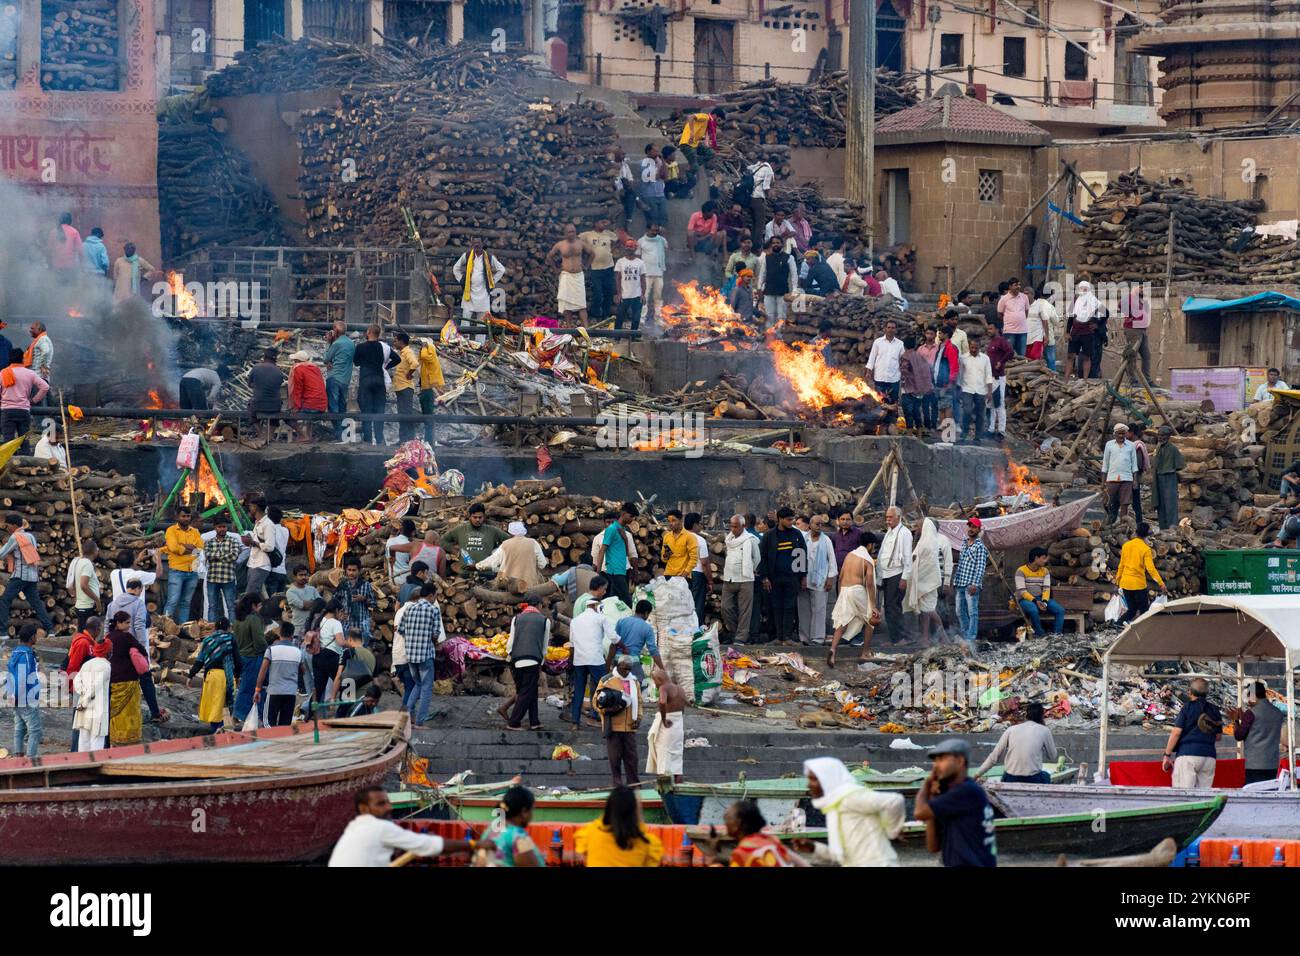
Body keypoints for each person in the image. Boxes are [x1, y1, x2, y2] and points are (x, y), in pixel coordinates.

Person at [329, 787, 473, 867]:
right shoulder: (380, 827)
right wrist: (475, 844)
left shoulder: (353, 829)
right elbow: (430, 845)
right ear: (364, 808)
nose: (389, 807)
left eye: (388, 802)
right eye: (381, 804)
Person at [801, 757, 906, 867]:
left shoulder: (851, 797)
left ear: (827, 779)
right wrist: (814, 848)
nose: (809, 785)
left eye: (813, 779)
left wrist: (892, 831)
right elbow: (841, 857)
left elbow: (895, 801)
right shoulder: (833, 806)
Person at [913, 738, 997, 867]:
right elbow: (933, 847)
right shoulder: (953, 796)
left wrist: (927, 783)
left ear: (959, 761)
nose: (935, 765)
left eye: (941, 759)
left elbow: (919, 813)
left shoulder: (966, 791)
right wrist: (933, 799)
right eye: (935, 760)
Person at [575, 786, 663, 867]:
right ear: (635, 812)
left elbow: (583, 854)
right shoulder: (647, 844)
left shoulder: (590, 833)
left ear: (609, 808)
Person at [701, 800, 805, 867]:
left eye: (727, 818)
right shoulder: (771, 840)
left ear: (738, 824)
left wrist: (711, 854)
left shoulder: (742, 853)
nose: (725, 822)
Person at [826, 536, 878, 668]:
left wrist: (840, 595)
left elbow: (841, 575)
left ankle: (833, 649)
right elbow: (870, 583)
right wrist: (873, 605)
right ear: (870, 545)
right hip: (857, 590)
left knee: (842, 622)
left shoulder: (849, 555)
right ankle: (865, 652)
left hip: (844, 590)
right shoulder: (867, 559)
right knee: (871, 620)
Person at [974, 702, 1058, 783]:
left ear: (1026, 715)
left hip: (1011, 778)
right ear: (1042, 716)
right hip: (1033, 778)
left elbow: (994, 756)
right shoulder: (1044, 730)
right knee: (1046, 776)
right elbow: (1053, 756)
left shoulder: (1011, 730)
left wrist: (977, 774)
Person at [1161, 678, 1222, 789]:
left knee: (1183, 796)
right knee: (1203, 797)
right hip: (1209, 757)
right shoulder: (1214, 710)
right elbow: (1218, 737)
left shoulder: (1187, 707)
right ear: (1206, 693)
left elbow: (1176, 733)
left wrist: (1167, 755)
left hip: (1187, 756)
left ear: (1190, 691)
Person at [566, 593, 616, 725]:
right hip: (595, 659)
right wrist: (622, 643)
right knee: (604, 687)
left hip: (579, 660)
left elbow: (572, 644)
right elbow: (613, 637)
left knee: (579, 691)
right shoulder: (601, 618)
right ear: (595, 605)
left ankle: (575, 722)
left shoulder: (575, 621)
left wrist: (571, 660)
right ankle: (602, 717)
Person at [0, 513, 53, 635]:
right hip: (32, 576)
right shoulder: (31, 536)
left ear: (13, 525)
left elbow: (2, 553)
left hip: (20, 576)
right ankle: (50, 629)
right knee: (37, 604)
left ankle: (2, 632)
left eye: (8, 525)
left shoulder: (16, 537)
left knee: (4, 600)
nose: (7, 528)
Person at [760, 507, 805, 645]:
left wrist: (803, 576)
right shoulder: (769, 536)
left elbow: (802, 555)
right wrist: (765, 577)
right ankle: (779, 637)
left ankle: (787, 637)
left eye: (793, 519)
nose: (791, 522)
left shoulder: (797, 535)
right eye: (789, 519)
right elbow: (763, 557)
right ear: (780, 519)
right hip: (774, 578)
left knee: (790, 607)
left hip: (792, 578)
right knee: (776, 607)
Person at [595, 655, 642, 787]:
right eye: (624, 668)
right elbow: (596, 702)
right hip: (613, 726)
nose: (627, 671)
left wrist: (638, 718)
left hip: (629, 727)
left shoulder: (634, 681)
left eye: (629, 669)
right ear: (618, 666)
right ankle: (617, 784)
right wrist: (607, 710)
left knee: (632, 759)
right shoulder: (606, 680)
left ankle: (634, 785)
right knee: (614, 758)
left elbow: (639, 701)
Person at [186, 618, 239, 734]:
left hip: (212, 676)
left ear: (215, 628)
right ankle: (224, 729)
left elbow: (199, 661)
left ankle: (215, 729)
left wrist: (190, 676)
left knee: (214, 705)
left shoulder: (208, 640)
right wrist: (238, 676)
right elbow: (237, 659)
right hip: (228, 676)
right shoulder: (230, 639)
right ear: (228, 628)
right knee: (226, 704)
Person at [905, 518, 951, 647]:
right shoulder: (922, 542)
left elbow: (930, 564)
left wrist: (947, 581)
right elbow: (914, 558)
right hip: (922, 582)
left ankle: (944, 636)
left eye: (919, 526)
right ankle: (925, 638)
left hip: (931, 581)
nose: (917, 528)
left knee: (930, 609)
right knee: (925, 610)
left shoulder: (936, 542)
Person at [504, 602, 550, 731]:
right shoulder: (544, 620)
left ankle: (534, 721)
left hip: (517, 659)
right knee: (526, 692)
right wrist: (541, 662)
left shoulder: (516, 618)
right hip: (533, 659)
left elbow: (511, 642)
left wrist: (509, 656)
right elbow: (544, 646)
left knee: (531, 690)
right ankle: (513, 722)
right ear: (539, 606)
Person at [474, 786, 545, 867]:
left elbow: (480, 863)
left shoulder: (491, 830)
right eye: (532, 809)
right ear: (524, 811)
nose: (532, 814)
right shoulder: (519, 837)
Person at [253, 622, 308, 727]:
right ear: (292, 635)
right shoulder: (298, 652)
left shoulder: (271, 650)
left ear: (280, 634)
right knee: (285, 726)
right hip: (290, 693)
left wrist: (257, 690)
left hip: (274, 692)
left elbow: (262, 671)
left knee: (268, 724)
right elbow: (303, 671)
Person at [106, 611, 148, 747]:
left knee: (116, 713)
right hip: (128, 679)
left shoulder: (108, 637)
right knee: (131, 711)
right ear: (119, 623)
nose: (129, 625)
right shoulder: (127, 637)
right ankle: (131, 740)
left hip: (112, 679)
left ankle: (116, 738)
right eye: (127, 623)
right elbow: (142, 650)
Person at [1232, 681, 1284, 784]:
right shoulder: (1278, 713)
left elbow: (1239, 735)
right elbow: (1262, 725)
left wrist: (1236, 720)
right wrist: (1245, 717)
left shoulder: (1250, 713)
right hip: (1272, 763)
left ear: (1253, 696)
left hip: (1254, 764)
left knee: (1254, 795)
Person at [875, 506, 913, 646]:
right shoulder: (889, 533)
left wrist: (904, 577)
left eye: (890, 517)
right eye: (886, 517)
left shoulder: (905, 533)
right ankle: (893, 638)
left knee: (893, 606)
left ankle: (902, 638)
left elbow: (908, 558)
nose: (888, 520)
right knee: (888, 607)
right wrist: (879, 578)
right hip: (886, 574)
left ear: (898, 517)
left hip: (897, 573)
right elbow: (882, 555)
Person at [720, 514, 760, 645]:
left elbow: (757, 558)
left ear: (743, 526)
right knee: (725, 608)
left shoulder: (751, 539)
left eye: (735, 526)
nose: (733, 529)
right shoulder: (729, 539)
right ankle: (737, 632)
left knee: (745, 611)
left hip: (745, 579)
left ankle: (740, 638)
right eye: (731, 526)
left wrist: (749, 569)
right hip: (729, 578)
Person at [1, 347, 49, 454]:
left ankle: (9, 466)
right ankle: (27, 464)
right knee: (24, 441)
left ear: (9, 358)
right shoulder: (29, 373)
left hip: (7, 412)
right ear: (22, 358)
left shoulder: (3, 373)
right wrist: (34, 400)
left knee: (8, 441)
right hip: (23, 411)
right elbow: (45, 387)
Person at [1116, 522, 1167, 622]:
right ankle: (1145, 630)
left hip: (1125, 583)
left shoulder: (1126, 545)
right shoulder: (1145, 549)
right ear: (1147, 535)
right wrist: (1161, 584)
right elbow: (1151, 569)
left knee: (1132, 610)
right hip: (1138, 585)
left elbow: (1121, 565)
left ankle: (1117, 625)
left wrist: (1117, 581)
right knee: (1144, 611)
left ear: (1136, 532)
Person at [798, 514, 837, 645]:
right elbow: (798, 559)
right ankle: (805, 637)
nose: (819, 526)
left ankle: (818, 638)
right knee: (803, 609)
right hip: (804, 579)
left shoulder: (826, 541)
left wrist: (830, 578)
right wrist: (799, 577)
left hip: (820, 579)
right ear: (810, 525)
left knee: (819, 610)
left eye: (821, 524)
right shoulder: (802, 539)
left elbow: (832, 560)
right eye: (817, 524)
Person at [72, 629, 112, 751]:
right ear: (107, 652)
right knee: (97, 742)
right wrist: (86, 700)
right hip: (97, 708)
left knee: (83, 741)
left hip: (83, 707)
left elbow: (76, 681)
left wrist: (83, 694)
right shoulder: (106, 666)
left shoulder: (88, 664)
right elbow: (96, 686)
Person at [231, 593, 267, 724]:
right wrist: (266, 649)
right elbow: (259, 640)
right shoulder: (253, 619)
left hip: (241, 656)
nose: (260, 608)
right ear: (253, 605)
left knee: (245, 685)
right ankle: (240, 713)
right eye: (259, 605)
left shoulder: (237, 620)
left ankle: (243, 714)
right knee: (252, 686)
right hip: (253, 657)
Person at [476, 521, 547, 588]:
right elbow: (542, 564)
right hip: (529, 585)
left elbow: (493, 561)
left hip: (508, 585)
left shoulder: (505, 544)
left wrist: (477, 566)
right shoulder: (533, 543)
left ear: (511, 533)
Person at [645, 666, 685, 782]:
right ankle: (679, 789)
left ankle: (664, 790)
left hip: (667, 724)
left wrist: (663, 719)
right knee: (677, 761)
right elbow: (687, 702)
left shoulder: (664, 688)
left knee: (663, 757)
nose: (655, 685)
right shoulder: (679, 688)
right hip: (678, 724)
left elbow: (662, 702)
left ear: (660, 679)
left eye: (655, 681)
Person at [951, 518, 988, 646]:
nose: (971, 529)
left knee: (972, 612)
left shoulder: (980, 547)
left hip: (971, 585)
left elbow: (981, 567)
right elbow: (961, 564)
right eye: (970, 526)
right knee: (959, 611)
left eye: (974, 527)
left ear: (978, 529)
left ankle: (971, 637)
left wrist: (975, 584)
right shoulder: (964, 543)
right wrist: (955, 581)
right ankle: (966, 634)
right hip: (960, 582)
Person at [451, 237, 506, 323]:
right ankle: (465, 337)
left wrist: (492, 281)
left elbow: (501, 269)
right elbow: (456, 268)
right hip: (469, 293)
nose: (477, 245)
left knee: (482, 321)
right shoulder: (467, 255)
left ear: (482, 244)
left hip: (483, 294)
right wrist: (461, 280)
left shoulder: (489, 257)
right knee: (466, 319)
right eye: (475, 243)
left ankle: (480, 337)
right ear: (472, 245)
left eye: (478, 243)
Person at [66, 616, 100, 751]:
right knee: (78, 723)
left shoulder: (89, 643)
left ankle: (80, 750)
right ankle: (75, 751)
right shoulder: (83, 644)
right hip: (80, 689)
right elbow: (73, 666)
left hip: (85, 687)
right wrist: (73, 687)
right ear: (97, 630)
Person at [8, 623, 42, 756]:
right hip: (26, 697)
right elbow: (22, 678)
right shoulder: (27, 655)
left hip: (15, 696)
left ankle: (18, 757)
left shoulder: (15, 652)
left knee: (19, 728)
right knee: (35, 730)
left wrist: (11, 695)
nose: (37, 638)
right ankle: (30, 759)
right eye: (36, 635)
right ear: (32, 637)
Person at [1014, 547, 1065, 636]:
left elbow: (1046, 589)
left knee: (1060, 610)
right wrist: (1035, 601)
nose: (1045, 561)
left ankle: (1057, 635)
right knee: (1033, 609)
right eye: (1043, 558)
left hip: (1041, 598)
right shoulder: (1021, 571)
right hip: (1024, 599)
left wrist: (1044, 602)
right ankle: (1040, 634)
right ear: (1036, 558)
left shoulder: (1045, 571)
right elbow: (1022, 591)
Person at [596, 503, 638, 607]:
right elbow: (602, 550)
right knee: (627, 601)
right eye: (631, 516)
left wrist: (625, 539)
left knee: (613, 600)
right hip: (615, 571)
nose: (632, 519)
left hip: (621, 569)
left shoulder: (622, 530)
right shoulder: (612, 529)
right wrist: (598, 572)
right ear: (623, 513)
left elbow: (626, 554)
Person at [352, 325, 387, 446]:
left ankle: (367, 440)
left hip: (366, 379)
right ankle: (379, 440)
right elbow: (389, 359)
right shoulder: (382, 346)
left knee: (366, 410)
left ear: (369, 332)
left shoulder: (361, 347)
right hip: (379, 379)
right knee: (379, 411)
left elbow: (356, 362)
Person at [202, 516, 240, 622]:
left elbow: (234, 556)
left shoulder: (233, 541)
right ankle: (211, 631)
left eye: (224, 526)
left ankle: (232, 631)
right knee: (212, 607)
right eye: (219, 527)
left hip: (228, 578)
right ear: (215, 528)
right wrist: (224, 556)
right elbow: (208, 555)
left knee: (231, 607)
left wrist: (216, 556)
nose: (222, 529)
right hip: (212, 579)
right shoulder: (209, 542)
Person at [956, 337, 993, 444]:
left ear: (979, 347)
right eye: (972, 347)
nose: (973, 350)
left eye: (976, 348)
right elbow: (960, 374)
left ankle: (978, 436)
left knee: (980, 414)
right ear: (969, 347)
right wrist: (959, 388)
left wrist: (989, 392)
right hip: (966, 389)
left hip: (981, 390)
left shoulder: (985, 359)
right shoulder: (963, 358)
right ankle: (964, 433)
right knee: (967, 411)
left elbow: (989, 375)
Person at [613, 599, 661, 682]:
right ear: (646, 613)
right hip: (632, 661)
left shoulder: (621, 622)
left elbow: (614, 643)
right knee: (641, 685)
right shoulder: (647, 628)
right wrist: (662, 668)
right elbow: (653, 650)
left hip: (618, 659)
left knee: (618, 685)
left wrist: (610, 661)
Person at [322, 321, 355, 439]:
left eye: (333, 329)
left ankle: (339, 434)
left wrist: (329, 343)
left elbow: (325, 359)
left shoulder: (336, 343)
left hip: (334, 377)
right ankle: (344, 434)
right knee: (342, 406)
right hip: (345, 380)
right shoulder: (351, 343)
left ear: (335, 331)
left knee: (333, 406)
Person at [1102, 422, 1139, 525]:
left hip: (1126, 479)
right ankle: (1109, 522)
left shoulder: (1131, 445)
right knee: (1109, 502)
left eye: (1123, 433)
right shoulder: (1109, 445)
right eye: (1119, 433)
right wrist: (1103, 482)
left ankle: (1122, 525)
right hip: (1111, 478)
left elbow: (1134, 465)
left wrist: (1135, 480)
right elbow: (1105, 464)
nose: (1121, 436)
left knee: (1125, 503)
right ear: (1115, 434)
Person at [755, 236, 797, 325]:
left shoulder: (789, 258)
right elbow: (763, 273)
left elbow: (794, 275)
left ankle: (779, 336)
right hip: (768, 291)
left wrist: (795, 289)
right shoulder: (767, 258)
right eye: (773, 243)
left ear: (782, 244)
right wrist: (759, 287)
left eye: (778, 243)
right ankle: (769, 336)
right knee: (769, 315)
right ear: (771, 245)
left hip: (782, 292)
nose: (775, 245)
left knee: (781, 315)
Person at [287, 350, 327, 441]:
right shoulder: (315, 368)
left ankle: (304, 436)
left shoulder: (298, 369)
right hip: (322, 405)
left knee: (287, 417)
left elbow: (298, 390)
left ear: (297, 361)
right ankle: (306, 435)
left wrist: (295, 407)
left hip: (311, 405)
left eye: (295, 361)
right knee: (305, 410)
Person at [1151, 425, 1185, 530]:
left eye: (1162, 435)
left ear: (1168, 436)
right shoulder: (1158, 447)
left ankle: (1172, 527)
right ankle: (1163, 527)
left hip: (1169, 477)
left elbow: (1180, 464)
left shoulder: (1173, 449)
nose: (1160, 437)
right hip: (1158, 477)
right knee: (1160, 503)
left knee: (1170, 503)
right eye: (1159, 435)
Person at [1066, 280, 1100, 382]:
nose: (1083, 290)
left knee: (1086, 357)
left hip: (1087, 333)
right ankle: (1066, 379)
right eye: (1081, 288)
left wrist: (1096, 324)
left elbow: (1102, 314)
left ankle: (1085, 380)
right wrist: (1067, 332)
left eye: (1085, 289)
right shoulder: (1075, 300)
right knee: (1070, 356)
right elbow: (1070, 318)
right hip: (1075, 333)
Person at [241, 498, 276, 597]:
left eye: (250, 506)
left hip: (261, 565)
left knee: (250, 596)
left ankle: (250, 612)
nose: (249, 509)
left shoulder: (268, 524)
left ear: (255, 508)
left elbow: (269, 547)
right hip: (253, 563)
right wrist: (249, 542)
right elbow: (255, 542)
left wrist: (253, 542)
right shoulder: (257, 523)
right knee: (258, 597)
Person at [897, 334, 933, 433]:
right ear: (914, 345)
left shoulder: (905, 357)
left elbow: (904, 372)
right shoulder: (919, 356)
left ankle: (909, 436)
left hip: (908, 389)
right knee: (917, 412)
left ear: (904, 346)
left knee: (908, 413)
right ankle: (920, 436)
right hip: (919, 390)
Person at [247, 348, 284, 441]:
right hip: (274, 405)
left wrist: (257, 386)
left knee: (251, 413)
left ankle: (261, 434)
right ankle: (270, 435)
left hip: (258, 404)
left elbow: (249, 384)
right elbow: (278, 386)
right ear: (275, 359)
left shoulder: (256, 368)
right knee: (276, 416)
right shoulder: (278, 371)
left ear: (264, 357)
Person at [388, 332, 419, 443]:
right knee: (402, 415)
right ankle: (403, 440)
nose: (394, 342)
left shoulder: (407, 352)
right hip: (401, 388)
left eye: (396, 340)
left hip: (405, 387)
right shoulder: (402, 353)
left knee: (406, 415)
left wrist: (409, 374)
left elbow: (415, 363)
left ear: (401, 341)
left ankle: (408, 441)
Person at [313, 599, 345, 705]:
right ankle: (345, 709)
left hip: (317, 656)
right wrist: (352, 644)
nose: (342, 614)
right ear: (336, 610)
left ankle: (310, 715)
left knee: (318, 689)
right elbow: (340, 642)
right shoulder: (335, 623)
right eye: (341, 611)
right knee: (344, 683)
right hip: (331, 656)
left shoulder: (320, 620)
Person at [65, 539, 102, 630]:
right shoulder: (87, 564)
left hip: (83, 605)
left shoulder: (79, 562)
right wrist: (97, 600)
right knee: (86, 637)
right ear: (94, 551)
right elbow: (83, 585)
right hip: (87, 607)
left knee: (84, 635)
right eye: (97, 549)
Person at [984, 326, 1013, 440]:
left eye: (991, 329)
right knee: (990, 404)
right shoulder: (992, 342)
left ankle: (1001, 430)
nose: (988, 331)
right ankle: (991, 428)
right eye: (988, 329)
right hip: (990, 377)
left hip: (998, 377)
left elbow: (1010, 352)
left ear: (997, 329)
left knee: (999, 404)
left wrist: (1001, 362)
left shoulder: (1001, 341)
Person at [636, 222, 668, 326]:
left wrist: (664, 235)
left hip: (659, 273)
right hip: (646, 274)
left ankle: (658, 319)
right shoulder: (641, 241)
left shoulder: (661, 240)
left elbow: (667, 247)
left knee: (658, 297)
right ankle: (641, 319)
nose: (655, 232)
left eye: (656, 230)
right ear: (648, 230)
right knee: (644, 296)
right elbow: (638, 257)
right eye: (653, 230)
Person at [684, 512, 711, 623]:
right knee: (697, 604)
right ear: (694, 524)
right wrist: (710, 580)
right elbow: (704, 563)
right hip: (697, 574)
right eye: (700, 524)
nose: (701, 526)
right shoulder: (699, 540)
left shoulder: (679, 538)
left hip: (681, 574)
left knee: (684, 603)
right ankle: (696, 631)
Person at [613, 239, 645, 332]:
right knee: (620, 317)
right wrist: (619, 294)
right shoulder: (620, 262)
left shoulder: (640, 263)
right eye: (627, 246)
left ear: (635, 248)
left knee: (636, 318)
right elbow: (618, 279)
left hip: (637, 295)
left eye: (631, 246)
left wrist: (643, 294)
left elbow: (643, 279)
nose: (629, 248)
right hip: (624, 295)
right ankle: (617, 336)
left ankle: (633, 337)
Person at [1122, 284, 1152, 381]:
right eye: (1140, 287)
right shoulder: (1130, 298)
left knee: (1146, 355)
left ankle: (1146, 379)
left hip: (1142, 330)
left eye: (1144, 287)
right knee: (1132, 354)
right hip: (1133, 329)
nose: (1143, 289)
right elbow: (1121, 304)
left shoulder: (1142, 300)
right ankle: (1132, 379)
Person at [1029, 285, 1062, 371]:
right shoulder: (1049, 306)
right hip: (1048, 338)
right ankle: (1052, 379)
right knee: (1050, 360)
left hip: (1033, 338)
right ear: (1050, 295)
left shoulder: (1033, 305)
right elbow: (1056, 321)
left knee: (1034, 360)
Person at [659, 509, 698, 582]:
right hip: (668, 574)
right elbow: (663, 559)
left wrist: (684, 575)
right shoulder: (667, 537)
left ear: (681, 520)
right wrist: (666, 555)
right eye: (669, 521)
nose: (671, 523)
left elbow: (694, 559)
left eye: (674, 520)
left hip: (683, 576)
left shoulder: (689, 536)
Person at [996, 276, 1030, 355]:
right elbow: (999, 314)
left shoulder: (1024, 297)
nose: (1018, 287)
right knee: (1009, 353)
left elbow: (1026, 312)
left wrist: (1019, 319)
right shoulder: (1004, 299)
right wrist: (1009, 321)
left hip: (1022, 331)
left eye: (1019, 285)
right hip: (1009, 331)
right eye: (1015, 285)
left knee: (1022, 354)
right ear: (1010, 287)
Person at [639, 143, 668, 228]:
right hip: (649, 195)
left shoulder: (659, 162)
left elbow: (665, 176)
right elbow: (651, 178)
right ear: (648, 152)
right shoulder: (643, 163)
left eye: (658, 151)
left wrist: (662, 161)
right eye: (655, 151)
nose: (657, 153)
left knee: (663, 218)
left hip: (660, 194)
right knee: (653, 219)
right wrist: (659, 169)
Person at [386, 519, 416, 586]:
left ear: (400, 530)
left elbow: (387, 559)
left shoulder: (389, 541)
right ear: (413, 532)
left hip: (392, 580)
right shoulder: (410, 546)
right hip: (406, 581)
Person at [614, 146, 637, 227]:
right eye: (622, 154)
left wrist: (629, 183)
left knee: (630, 194)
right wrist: (620, 189)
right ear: (615, 154)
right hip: (614, 190)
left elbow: (630, 177)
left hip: (626, 190)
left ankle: (628, 221)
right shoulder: (610, 165)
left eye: (624, 154)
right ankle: (638, 200)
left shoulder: (625, 165)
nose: (624, 156)